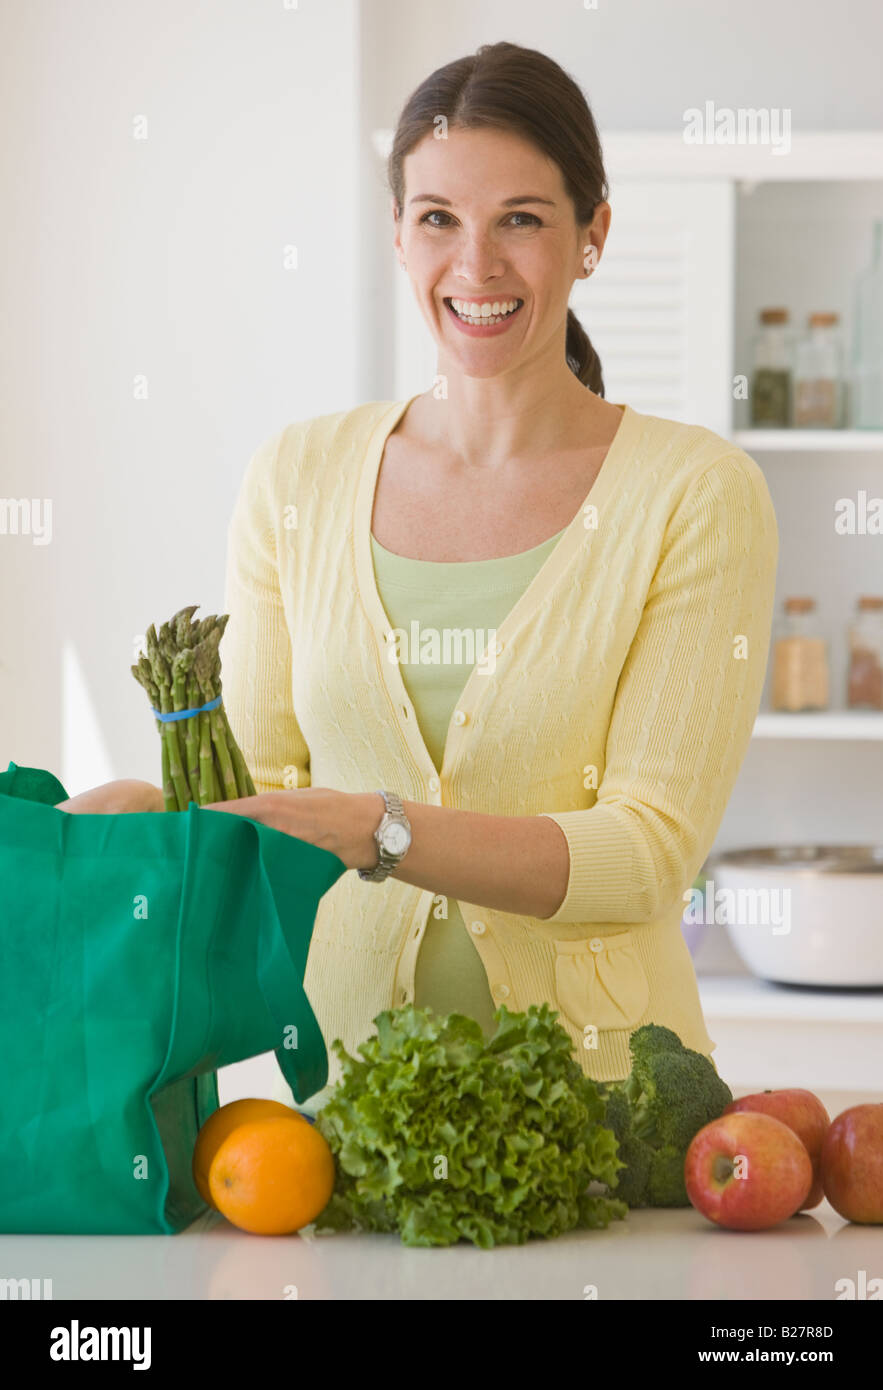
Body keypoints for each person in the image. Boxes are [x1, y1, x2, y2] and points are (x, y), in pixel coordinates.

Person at [64, 41, 778, 1119]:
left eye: (523, 220)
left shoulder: (695, 492)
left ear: (594, 237)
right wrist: (151, 812)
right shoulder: (296, 476)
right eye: (440, 218)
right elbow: (270, 789)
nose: (477, 265)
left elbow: (644, 854)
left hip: (609, 1120)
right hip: (353, 1118)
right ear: (398, 233)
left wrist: (383, 830)